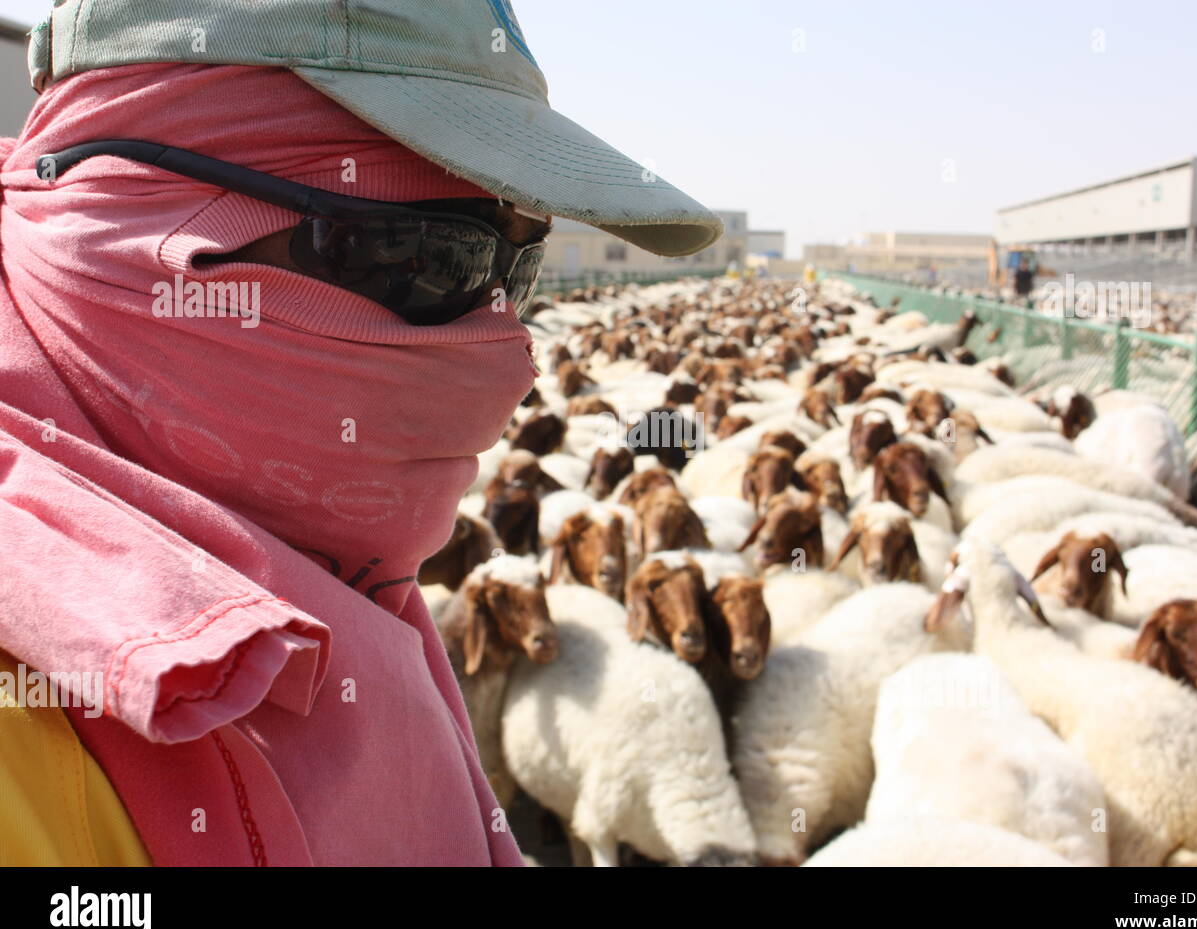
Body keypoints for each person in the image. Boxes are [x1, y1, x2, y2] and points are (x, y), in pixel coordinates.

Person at [0, 1, 721, 865]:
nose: (497, 345)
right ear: (125, 215)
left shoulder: (340, 593)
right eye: (415, 256)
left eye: (515, 267)